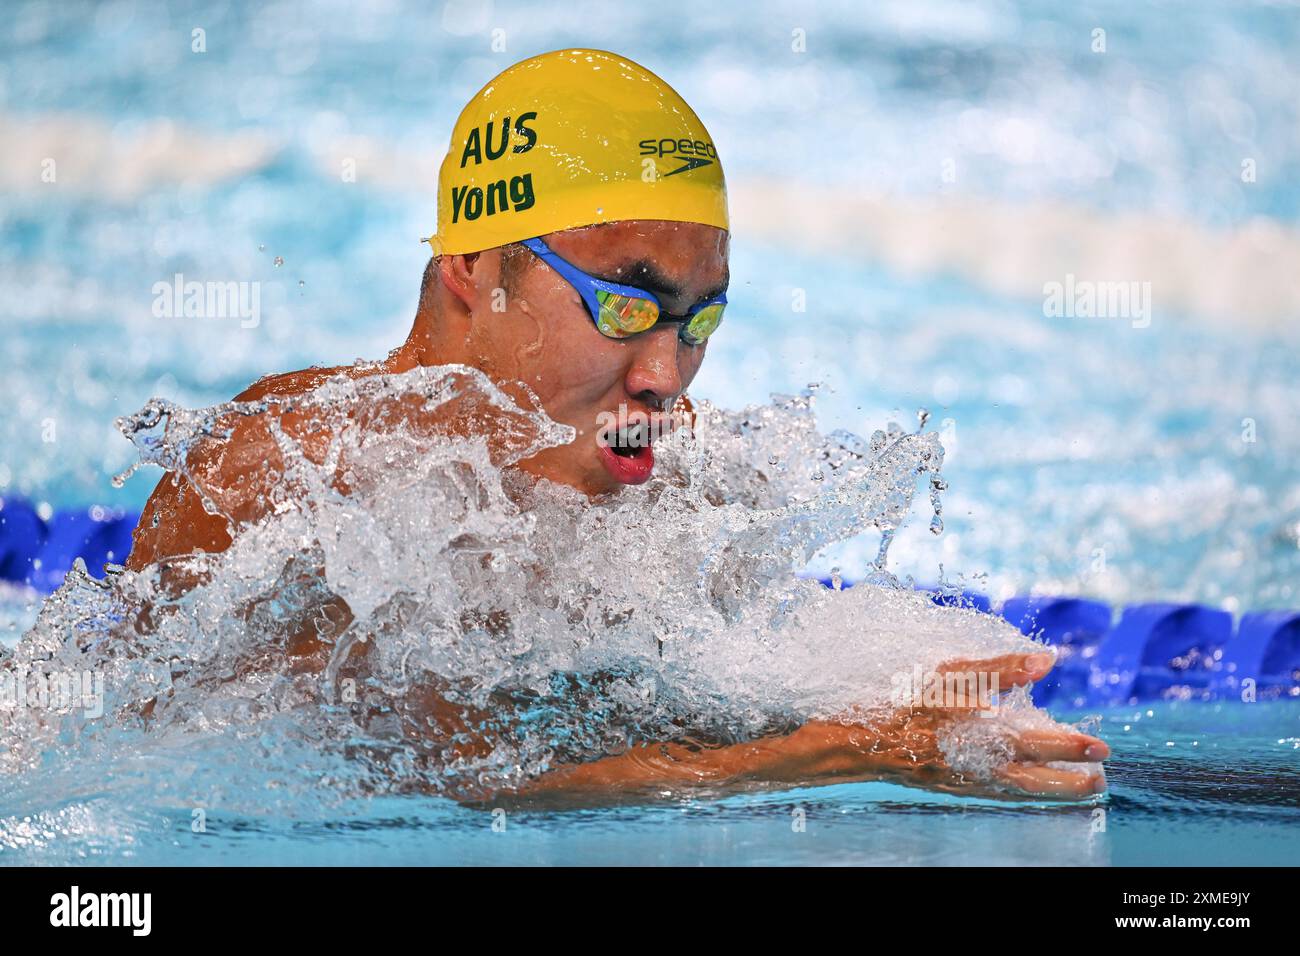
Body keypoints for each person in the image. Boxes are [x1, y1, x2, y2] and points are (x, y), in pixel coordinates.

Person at [125, 49, 1108, 802]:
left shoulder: (667, 477)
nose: (664, 377)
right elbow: (430, 774)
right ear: (474, 265)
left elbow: (705, 689)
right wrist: (839, 748)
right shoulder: (286, 485)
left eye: (697, 319)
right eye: (626, 303)